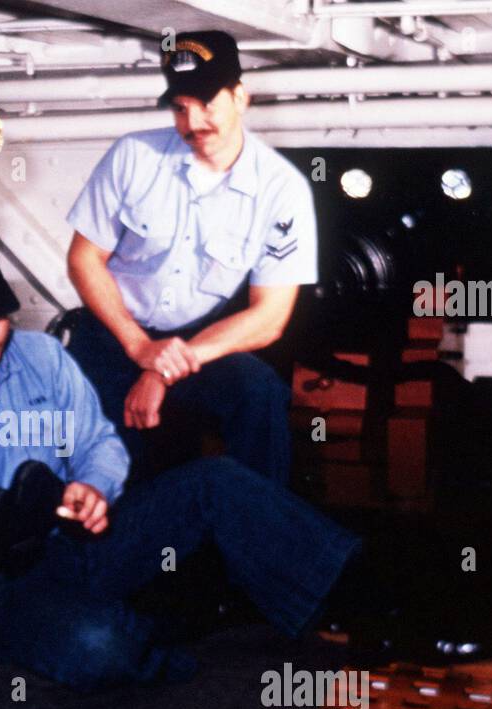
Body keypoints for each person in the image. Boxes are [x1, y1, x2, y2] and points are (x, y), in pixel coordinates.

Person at [0, 228, 483, 694]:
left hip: (75, 539)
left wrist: (95, 487)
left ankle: (380, 603)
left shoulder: (42, 358)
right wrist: (9, 522)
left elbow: (99, 443)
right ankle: (161, 627)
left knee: (216, 483)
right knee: (98, 646)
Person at [65, 30, 314, 486]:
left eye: (207, 104)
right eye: (180, 107)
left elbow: (269, 318)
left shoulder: (283, 190)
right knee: (94, 469)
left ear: (241, 97)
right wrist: (139, 347)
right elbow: (84, 258)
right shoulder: (132, 156)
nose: (193, 122)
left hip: (200, 344)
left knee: (259, 394)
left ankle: (266, 537)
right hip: (115, 333)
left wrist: (162, 368)